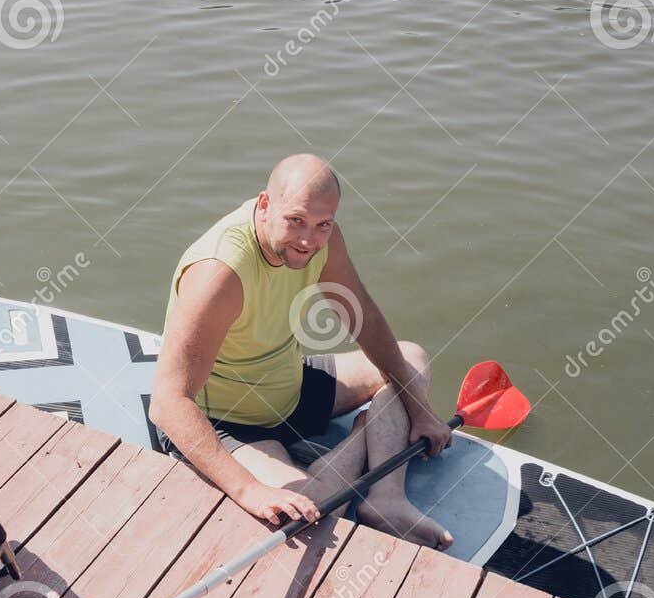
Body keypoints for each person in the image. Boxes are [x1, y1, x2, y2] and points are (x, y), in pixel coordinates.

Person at [149, 154, 456, 549]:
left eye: (322, 225)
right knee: (314, 509)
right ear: (264, 205)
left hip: (287, 385)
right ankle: (362, 445)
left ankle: (386, 498)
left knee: (410, 360)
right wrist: (249, 491)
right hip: (227, 420)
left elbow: (362, 318)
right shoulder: (219, 273)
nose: (308, 240)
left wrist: (420, 409)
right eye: (295, 221)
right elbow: (168, 403)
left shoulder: (323, 242)